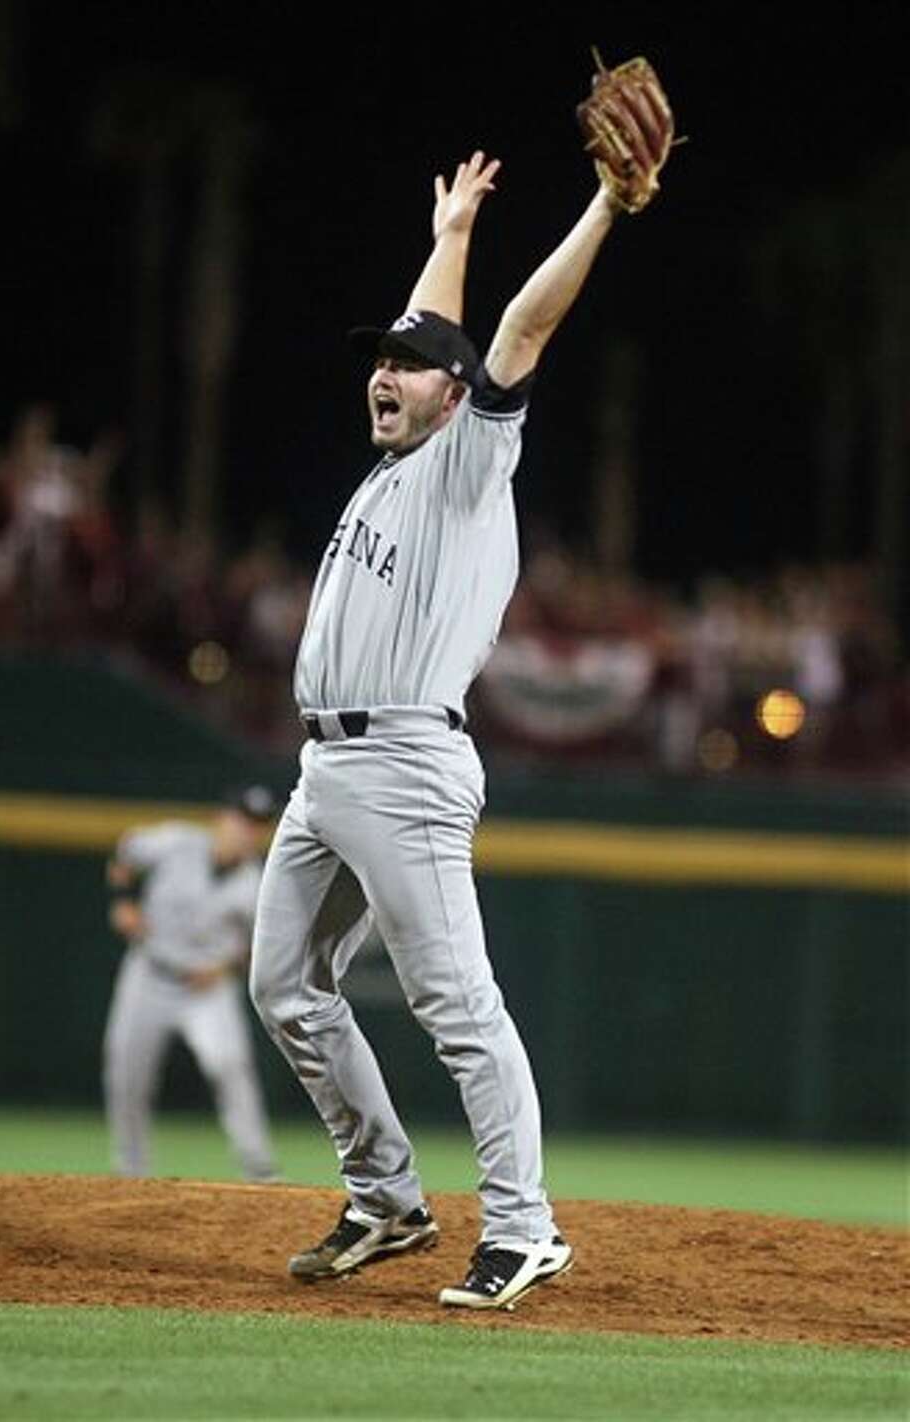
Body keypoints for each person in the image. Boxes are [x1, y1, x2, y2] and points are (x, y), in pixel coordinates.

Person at [248, 149, 637, 1311]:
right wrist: (455, 229)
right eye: (380, 359)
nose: (388, 373)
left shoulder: (469, 459)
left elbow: (515, 330)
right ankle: (389, 1201)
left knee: (455, 1002)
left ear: (456, 398)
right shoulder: (396, 463)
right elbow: (445, 326)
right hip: (328, 769)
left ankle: (524, 1228)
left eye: (411, 368)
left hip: (409, 759)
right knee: (285, 985)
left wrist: (610, 202)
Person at [103, 785, 281, 1182]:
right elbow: (125, 852)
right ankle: (131, 1170)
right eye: (242, 819)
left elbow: (262, 948)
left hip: (206, 990)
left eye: (257, 826)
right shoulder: (176, 842)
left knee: (229, 1065)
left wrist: (224, 969)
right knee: (127, 1073)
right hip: (148, 974)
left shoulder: (259, 882)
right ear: (222, 818)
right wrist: (123, 900)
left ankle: (259, 1169)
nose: (246, 831)